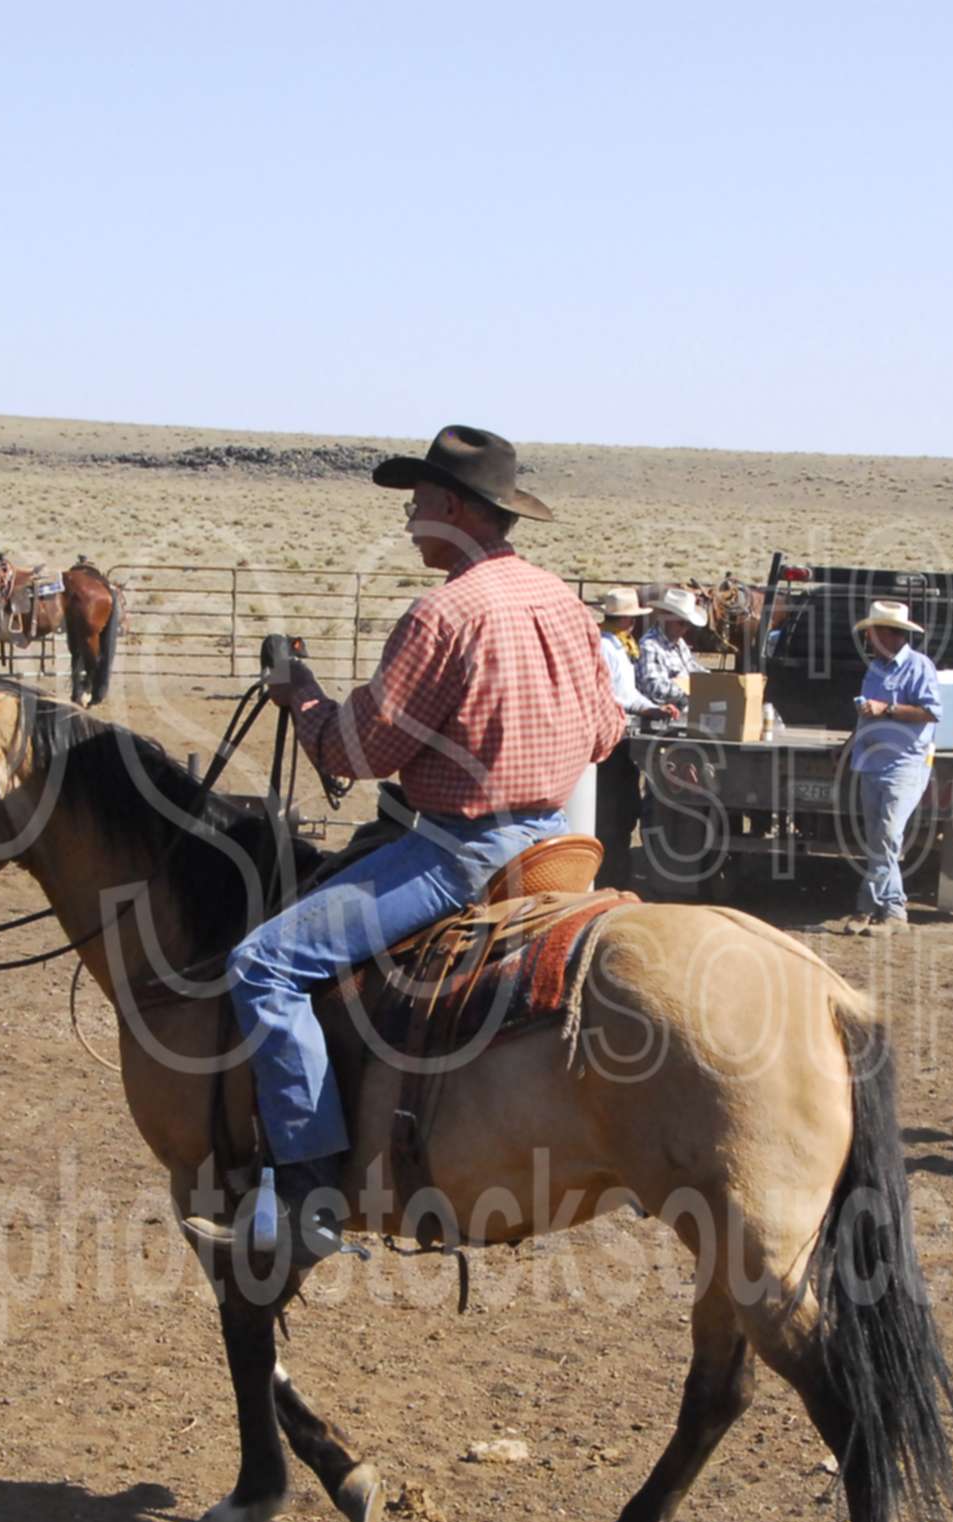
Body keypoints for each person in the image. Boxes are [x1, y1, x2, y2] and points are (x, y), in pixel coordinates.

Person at [218, 426, 623, 1265]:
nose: (407, 518)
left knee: (263, 963)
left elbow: (353, 753)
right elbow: (608, 732)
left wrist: (302, 696)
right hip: (556, 843)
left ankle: (307, 1187)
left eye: (416, 502)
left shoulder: (443, 613)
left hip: (461, 850)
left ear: (450, 507)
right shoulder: (564, 602)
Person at [832, 598, 940, 933]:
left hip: (903, 765)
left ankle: (866, 908)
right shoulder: (874, 668)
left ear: (890, 634)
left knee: (887, 837)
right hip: (871, 763)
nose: (869, 641)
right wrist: (850, 745)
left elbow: (931, 712)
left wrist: (887, 709)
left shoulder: (920, 667)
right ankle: (894, 912)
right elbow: (866, 712)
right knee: (879, 839)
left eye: (873, 633)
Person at [591, 588, 672, 885]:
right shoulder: (611, 648)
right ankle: (612, 876)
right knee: (615, 809)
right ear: (627, 620)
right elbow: (621, 695)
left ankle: (613, 873)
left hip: (614, 733)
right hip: (612, 736)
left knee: (615, 807)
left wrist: (649, 707)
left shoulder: (614, 645)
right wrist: (649, 709)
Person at [638, 588, 705, 708]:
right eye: (681, 623)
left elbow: (693, 668)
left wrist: (715, 681)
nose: (684, 629)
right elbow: (653, 687)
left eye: (688, 624)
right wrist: (689, 688)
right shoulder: (649, 646)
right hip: (662, 716)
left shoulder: (679, 644)